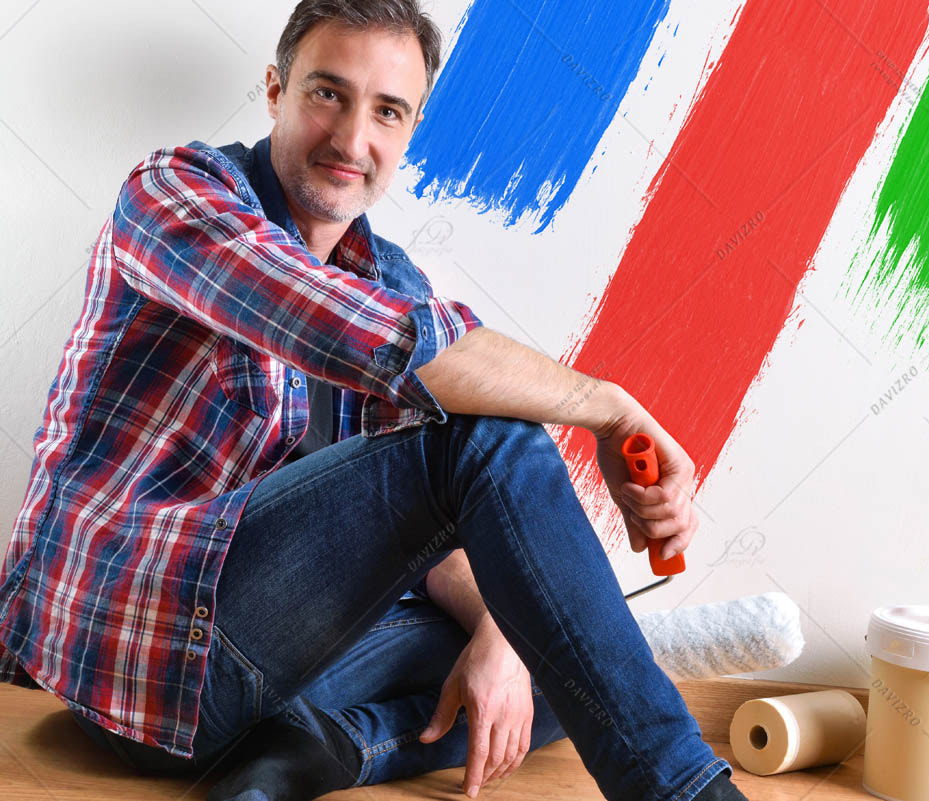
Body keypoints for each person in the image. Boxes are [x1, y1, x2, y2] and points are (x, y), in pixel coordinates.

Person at [0, 2, 752, 800]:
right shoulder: (176, 194)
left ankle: (321, 752)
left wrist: (503, 630)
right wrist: (611, 405)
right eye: (328, 94)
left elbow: (440, 531)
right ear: (275, 90)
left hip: (259, 674)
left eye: (387, 111)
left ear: (412, 126)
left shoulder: (390, 278)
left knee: (573, 653)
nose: (353, 140)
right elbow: (332, 325)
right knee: (494, 455)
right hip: (132, 657)